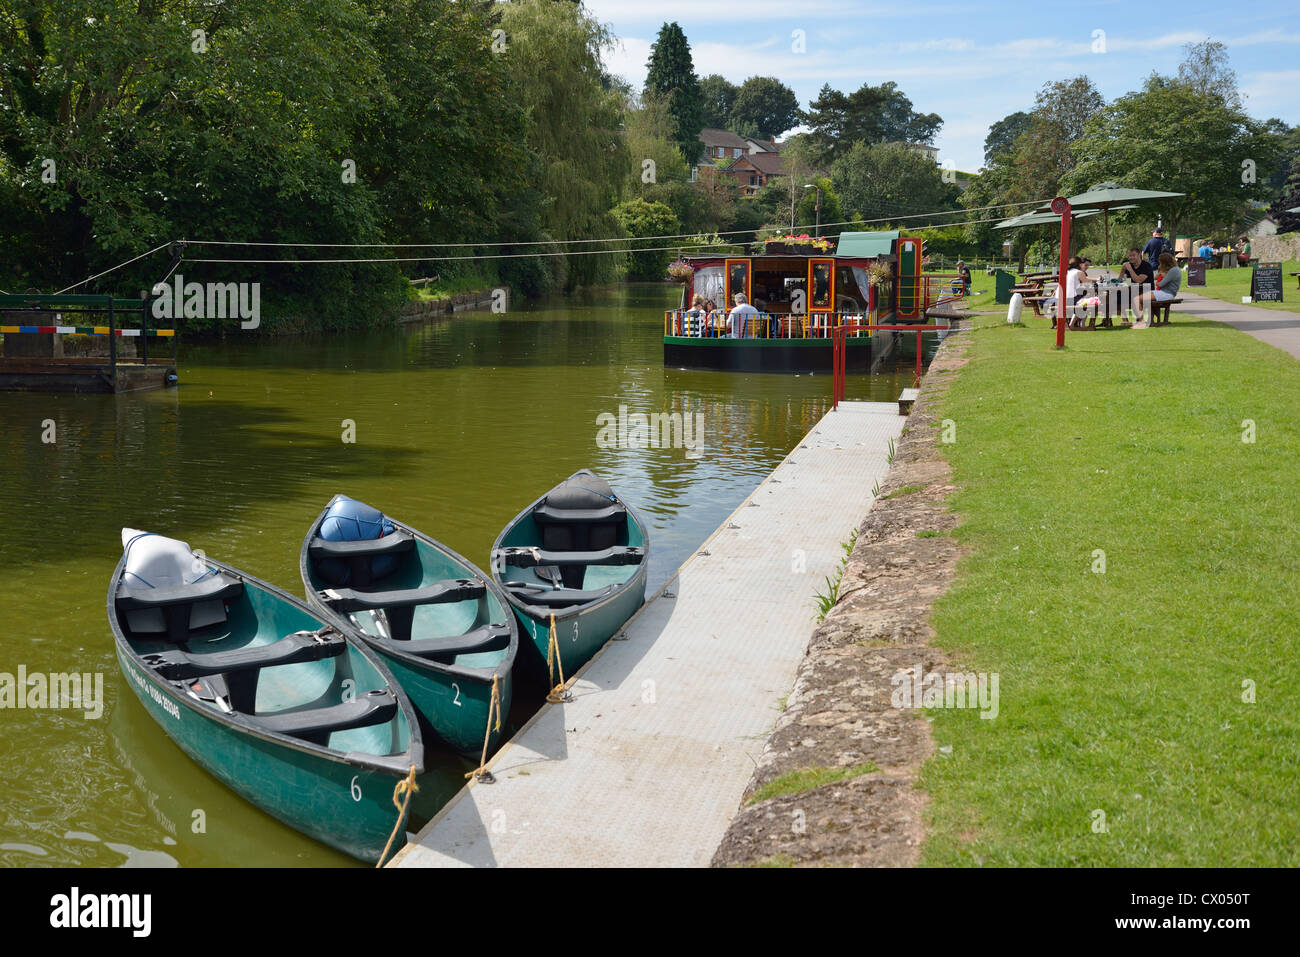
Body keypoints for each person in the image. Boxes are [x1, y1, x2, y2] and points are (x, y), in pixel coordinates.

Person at [1135, 252, 1181, 325]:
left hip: (1166, 293)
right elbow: (1156, 277)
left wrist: (1161, 277)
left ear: (1164, 262)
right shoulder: (1173, 269)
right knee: (1140, 298)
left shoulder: (1173, 271)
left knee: (1138, 299)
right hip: (1163, 292)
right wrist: (1161, 273)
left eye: (1160, 262)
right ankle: (1146, 320)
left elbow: (1161, 283)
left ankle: (1141, 321)